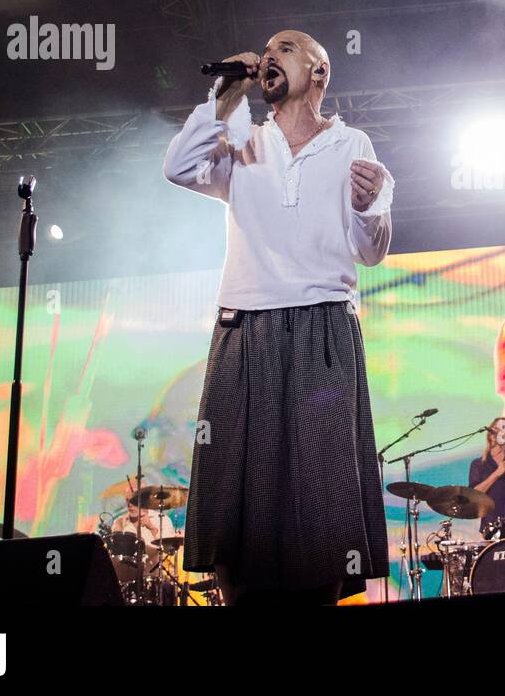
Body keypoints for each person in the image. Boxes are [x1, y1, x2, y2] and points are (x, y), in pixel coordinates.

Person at [163, 30, 393, 605]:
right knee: (242, 485)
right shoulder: (242, 140)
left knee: (323, 488)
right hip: (248, 326)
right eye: (265, 51)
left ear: (319, 73)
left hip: (323, 328)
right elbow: (178, 167)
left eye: (286, 48)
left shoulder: (352, 142)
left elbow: (372, 250)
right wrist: (225, 98)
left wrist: (368, 208)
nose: (269, 55)